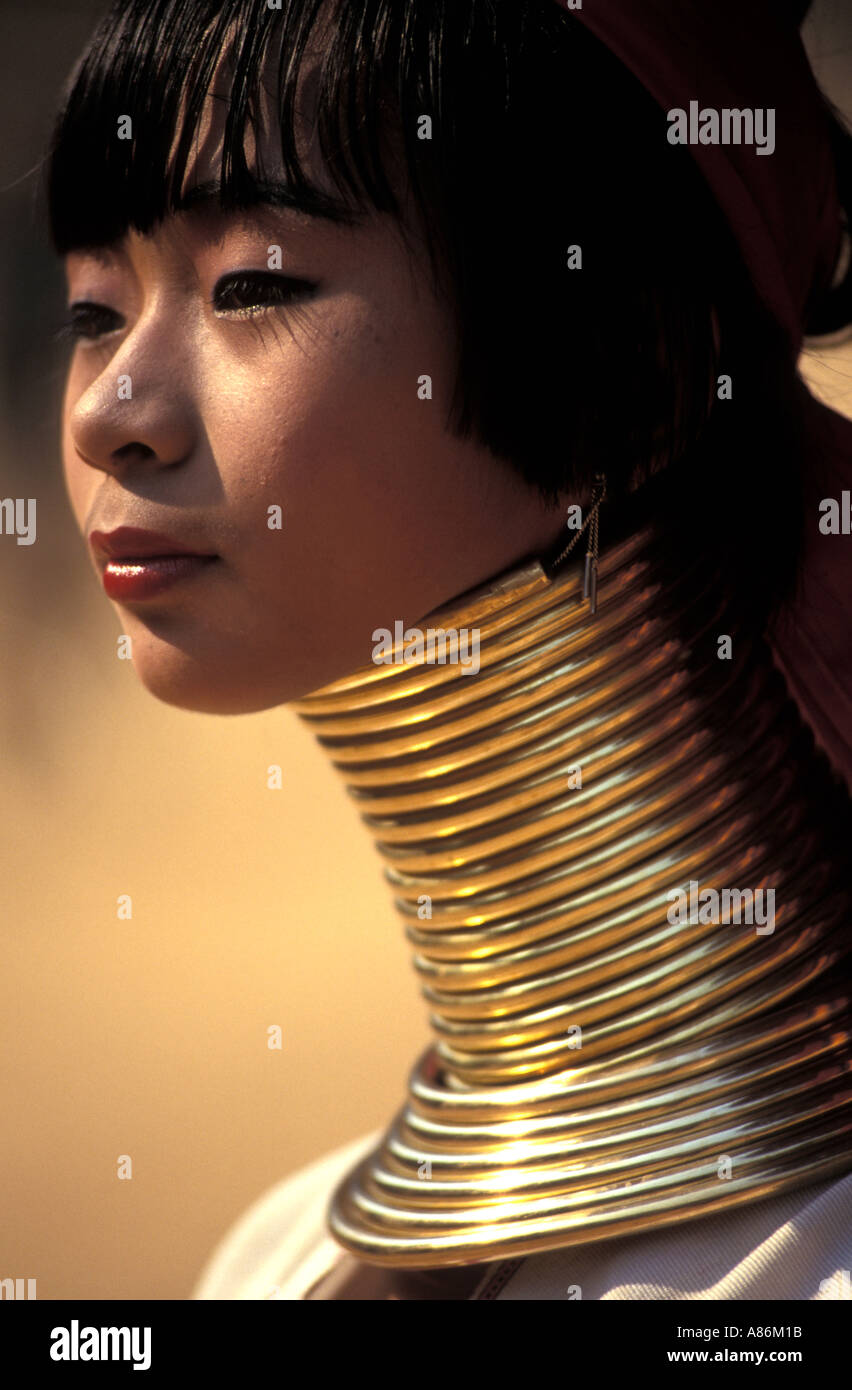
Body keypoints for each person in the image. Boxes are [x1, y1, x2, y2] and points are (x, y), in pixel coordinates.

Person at [47, 0, 852, 1299]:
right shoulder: (274, 1254)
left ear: (632, 350)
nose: (107, 411)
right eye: (94, 308)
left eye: (252, 284)